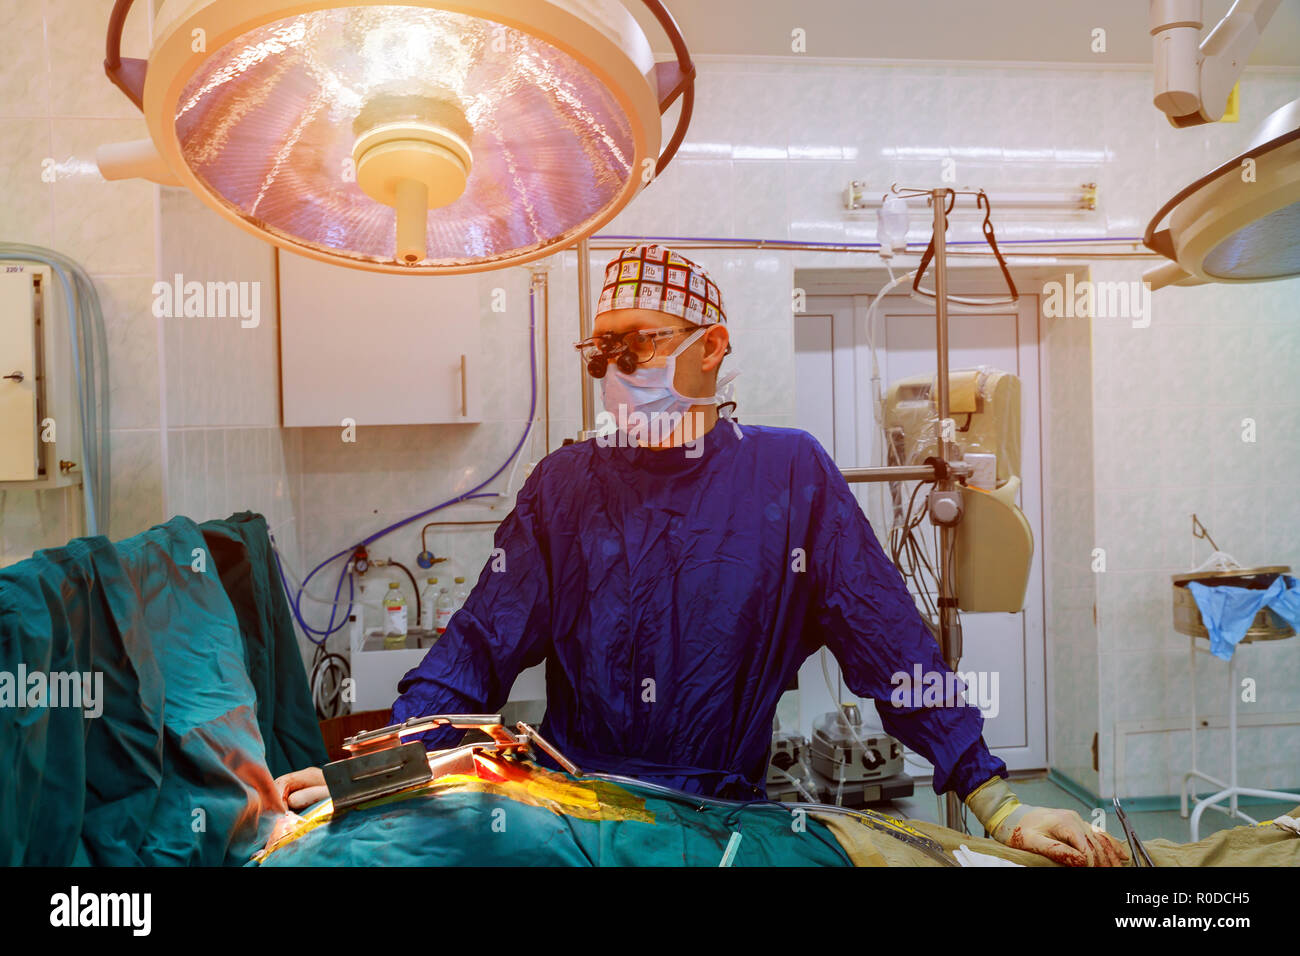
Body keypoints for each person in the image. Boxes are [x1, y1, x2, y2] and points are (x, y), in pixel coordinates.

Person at [278, 243, 1128, 866]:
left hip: (722, 824)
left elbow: (891, 643)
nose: (615, 370)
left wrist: (997, 798)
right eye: (602, 352)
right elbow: (473, 650)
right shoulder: (565, 485)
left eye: (640, 345)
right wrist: (378, 773)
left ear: (712, 346)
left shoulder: (787, 474)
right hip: (575, 812)